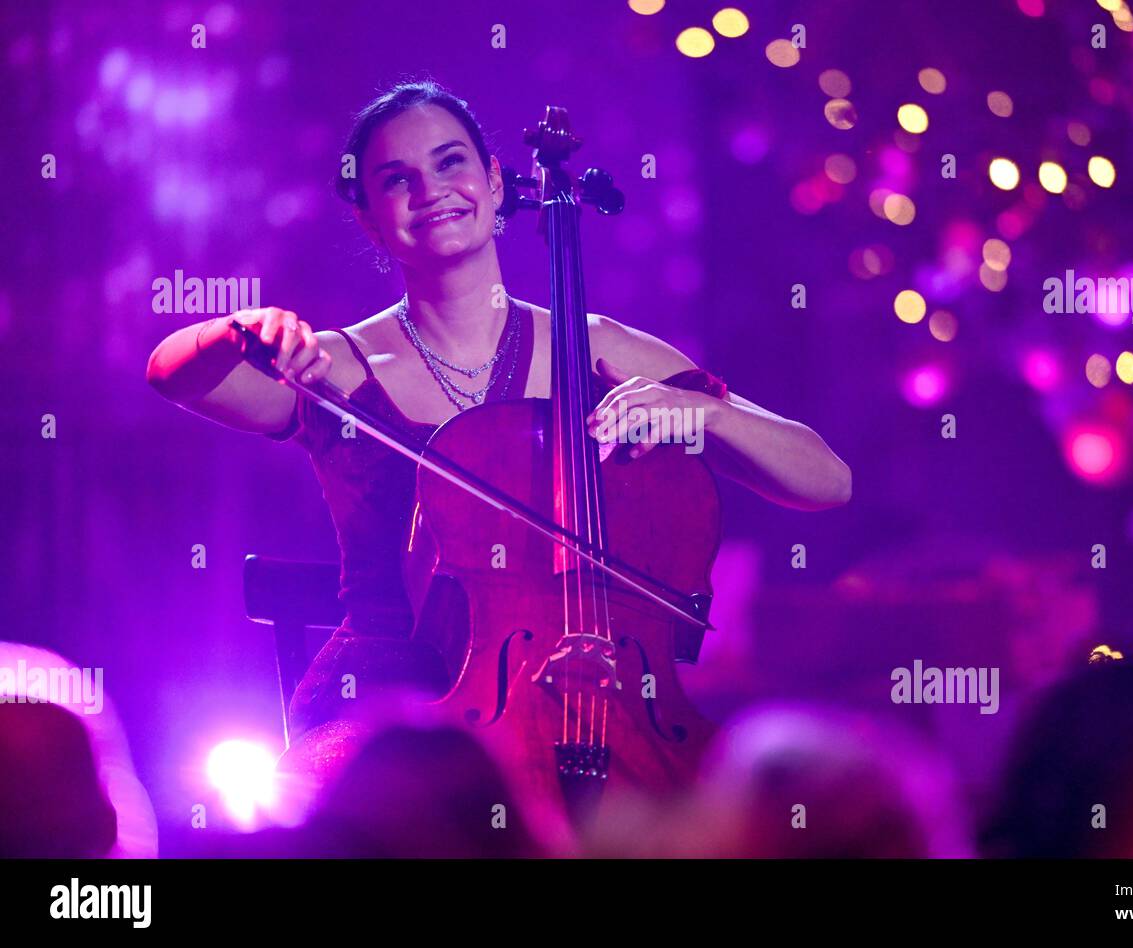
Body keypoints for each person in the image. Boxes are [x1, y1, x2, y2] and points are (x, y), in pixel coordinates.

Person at [145, 78, 852, 767]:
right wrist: (238, 330)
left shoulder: (594, 345)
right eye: (397, 179)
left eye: (451, 162)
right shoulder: (334, 365)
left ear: (494, 180)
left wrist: (702, 412)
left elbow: (825, 479)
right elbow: (171, 375)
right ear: (367, 216)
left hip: (599, 695)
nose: (431, 192)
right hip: (392, 712)